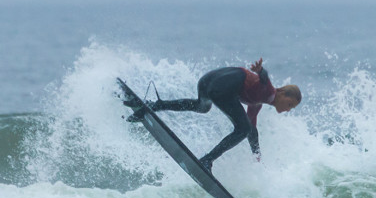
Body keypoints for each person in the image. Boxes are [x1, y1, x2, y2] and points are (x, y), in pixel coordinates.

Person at [126, 58, 301, 172]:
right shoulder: (268, 91)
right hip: (222, 86)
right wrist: (260, 69)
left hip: (207, 82)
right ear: (283, 94)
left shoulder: (257, 104)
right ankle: (207, 160)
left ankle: (155, 106)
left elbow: (252, 132)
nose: (288, 109)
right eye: (290, 104)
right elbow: (264, 77)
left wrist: (257, 155)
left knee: (202, 107)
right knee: (242, 129)